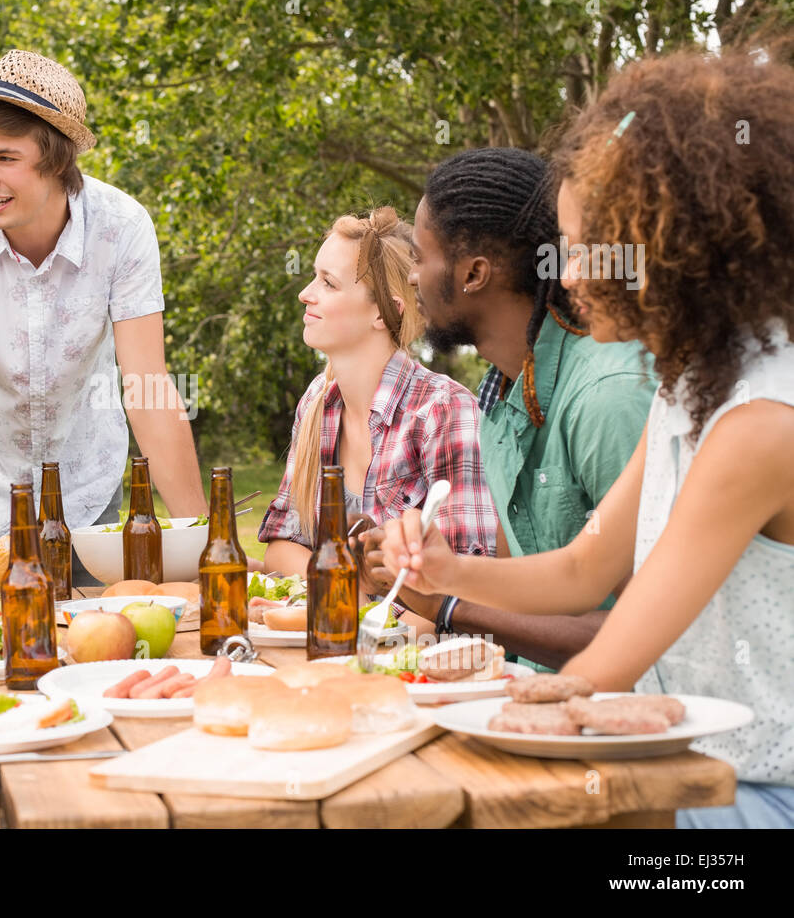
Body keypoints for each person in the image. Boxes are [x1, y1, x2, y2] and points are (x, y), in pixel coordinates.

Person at [378, 48, 794, 827]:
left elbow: (606, 663)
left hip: (753, 796)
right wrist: (443, 568)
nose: (561, 274)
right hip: (682, 776)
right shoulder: (688, 387)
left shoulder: (760, 425)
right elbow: (584, 565)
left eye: (579, 248)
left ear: (669, 246)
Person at [0, 50, 207, 583]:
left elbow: (148, 387)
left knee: (101, 646)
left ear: (57, 159)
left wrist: (202, 540)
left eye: (5, 158)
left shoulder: (123, 228)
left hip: (90, 484)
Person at [392, 147, 656, 671]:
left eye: (420, 257)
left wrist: (449, 606)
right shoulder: (499, 399)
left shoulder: (609, 396)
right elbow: (522, 592)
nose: (412, 277)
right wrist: (427, 572)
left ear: (473, 274)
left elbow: (648, 632)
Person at [257, 208, 496, 635]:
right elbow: (282, 546)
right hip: (334, 644)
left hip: (420, 671)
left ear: (383, 314)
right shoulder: (318, 402)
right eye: (314, 277)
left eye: (328, 283)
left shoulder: (443, 411)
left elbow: (466, 594)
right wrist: (353, 596)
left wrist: (346, 608)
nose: (305, 295)